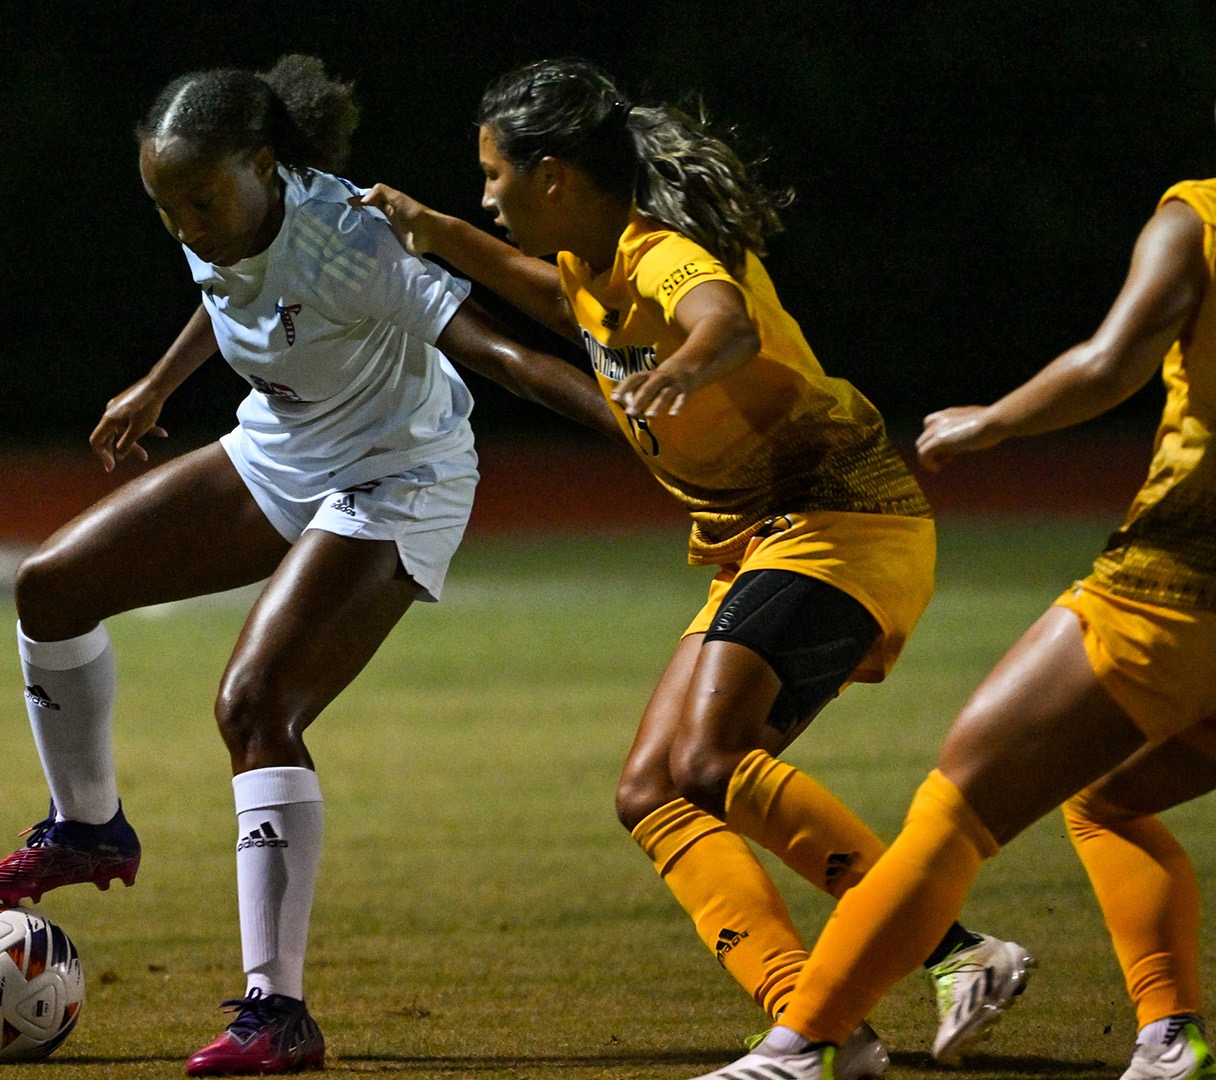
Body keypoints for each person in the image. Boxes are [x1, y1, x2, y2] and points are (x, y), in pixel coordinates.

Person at [354, 58, 1031, 1075]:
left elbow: (722, 315)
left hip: (842, 518)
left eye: (493, 176)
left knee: (710, 761)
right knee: (652, 792)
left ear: (552, 177)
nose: (485, 195)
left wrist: (689, 361)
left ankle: (904, 980)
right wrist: (438, 233)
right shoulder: (591, 261)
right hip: (760, 540)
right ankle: (826, 1016)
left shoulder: (660, 252)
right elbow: (561, 300)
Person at [0, 55, 615, 1077]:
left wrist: (639, 426)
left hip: (400, 470)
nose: (183, 223)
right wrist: (158, 382)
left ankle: (279, 1014)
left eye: (200, 198)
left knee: (257, 703)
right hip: (283, 446)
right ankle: (88, 830)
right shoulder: (215, 206)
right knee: (51, 587)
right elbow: (229, 290)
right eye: (164, 204)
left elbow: (501, 355)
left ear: (265, 165)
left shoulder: (353, 241)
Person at [690, 177, 1216, 1080]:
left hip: (1181, 587)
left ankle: (802, 1047)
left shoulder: (1199, 214)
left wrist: (992, 423)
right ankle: (1171, 1038)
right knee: (1110, 798)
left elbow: (1109, 363)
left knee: (958, 804)